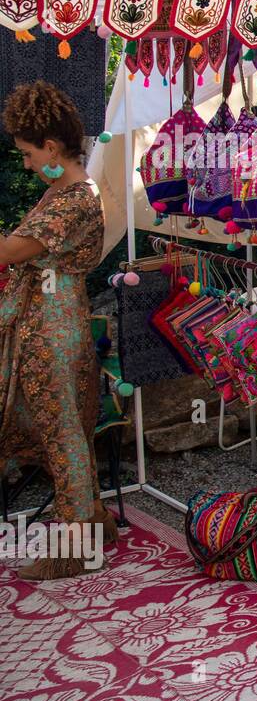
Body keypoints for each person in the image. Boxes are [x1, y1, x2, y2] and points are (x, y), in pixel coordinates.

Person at [0, 81, 112, 580]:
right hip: (52, 317)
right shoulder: (63, 191)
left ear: (51, 146)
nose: (25, 163)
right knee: (67, 430)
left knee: (62, 433)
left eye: (27, 153)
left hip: (52, 325)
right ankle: (94, 520)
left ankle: (76, 546)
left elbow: (11, 252)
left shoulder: (73, 200)